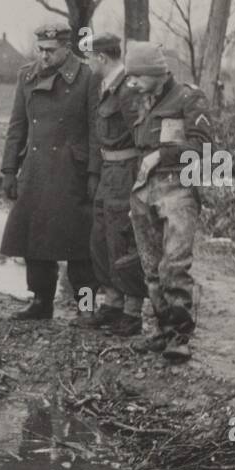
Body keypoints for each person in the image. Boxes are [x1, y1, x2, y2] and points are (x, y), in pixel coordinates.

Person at [0, 24, 101, 321]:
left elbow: (96, 130)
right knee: (36, 238)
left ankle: (87, 305)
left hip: (73, 171)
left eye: (50, 51)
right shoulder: (27, 76)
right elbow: (17, 125)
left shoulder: (87, 77)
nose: (44, 56)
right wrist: (9, 169)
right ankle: (41, 301)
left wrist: (94, 173)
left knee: (80, 243)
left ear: (67, 48)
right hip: (37, 169)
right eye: (40, 50)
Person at [124, 40, 212, 363]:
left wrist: (162, 154)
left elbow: (203, 147)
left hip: (178, 189)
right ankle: (162, 330)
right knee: (151, 266)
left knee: (174, 264)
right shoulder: (142, 102)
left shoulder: (189, 98)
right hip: (145, 190)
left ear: (157, 73)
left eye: (137, 76)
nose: (130, 83)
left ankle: (180, 336)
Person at [85, 33, 149, 337]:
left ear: (101, 58)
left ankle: (132, 312)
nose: (86, 62)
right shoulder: (108, 87)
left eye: (89, 57)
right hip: (109, 172)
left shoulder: (127, 89)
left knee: (124, 239)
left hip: (126, 173)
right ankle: (112, 303)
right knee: (102, 238)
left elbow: (144, 136)